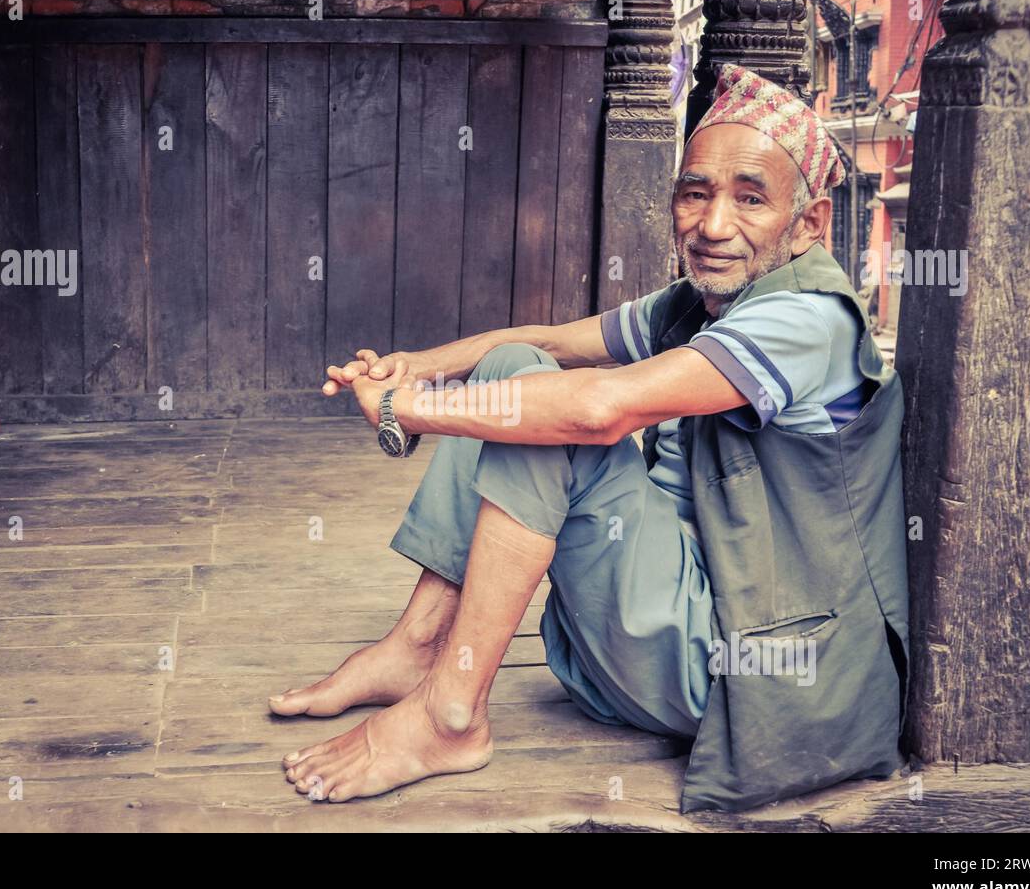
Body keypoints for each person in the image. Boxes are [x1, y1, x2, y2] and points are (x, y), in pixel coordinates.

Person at [270, 65, 910, 812]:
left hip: (760, 678)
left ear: (809, 224)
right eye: (696, 192)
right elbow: (544, 342)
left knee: (555, 416)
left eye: (750, 198)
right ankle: (416, 646)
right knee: (522, 373)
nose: (712, 225)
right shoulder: (701, 303)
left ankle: (450, 714)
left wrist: (408, 410)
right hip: (666, 634)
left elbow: (598, 409)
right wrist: (417, 366)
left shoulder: (807, 319)